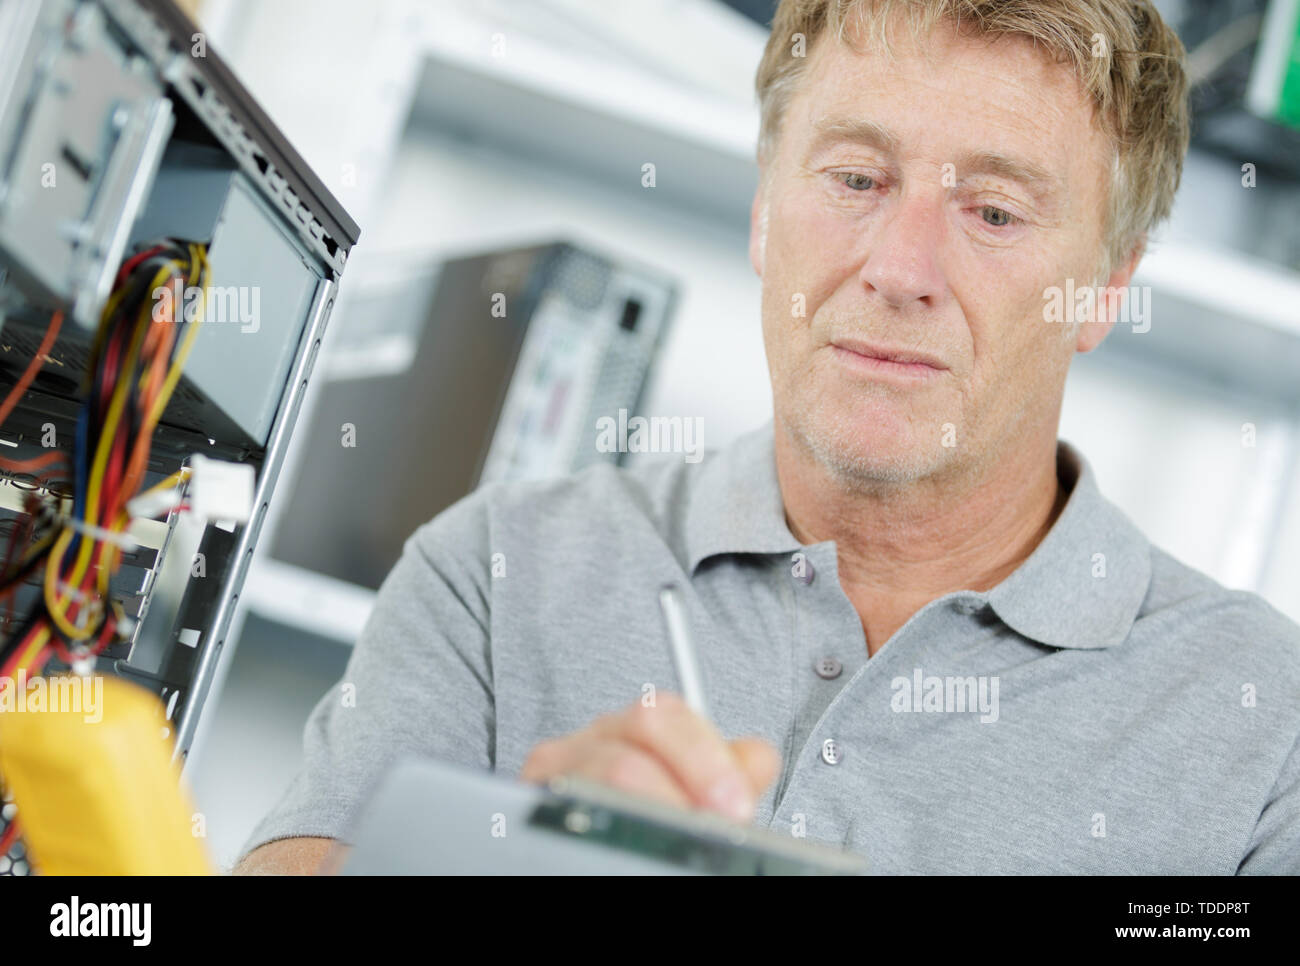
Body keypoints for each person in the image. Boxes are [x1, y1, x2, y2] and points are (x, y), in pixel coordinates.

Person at [236, 0, 1300, 874]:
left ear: (1103, 290)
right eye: (855, 179)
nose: (899, 266)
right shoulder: (496, 569)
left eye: (994, 212)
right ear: (761, 212)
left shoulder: (1266, 731)